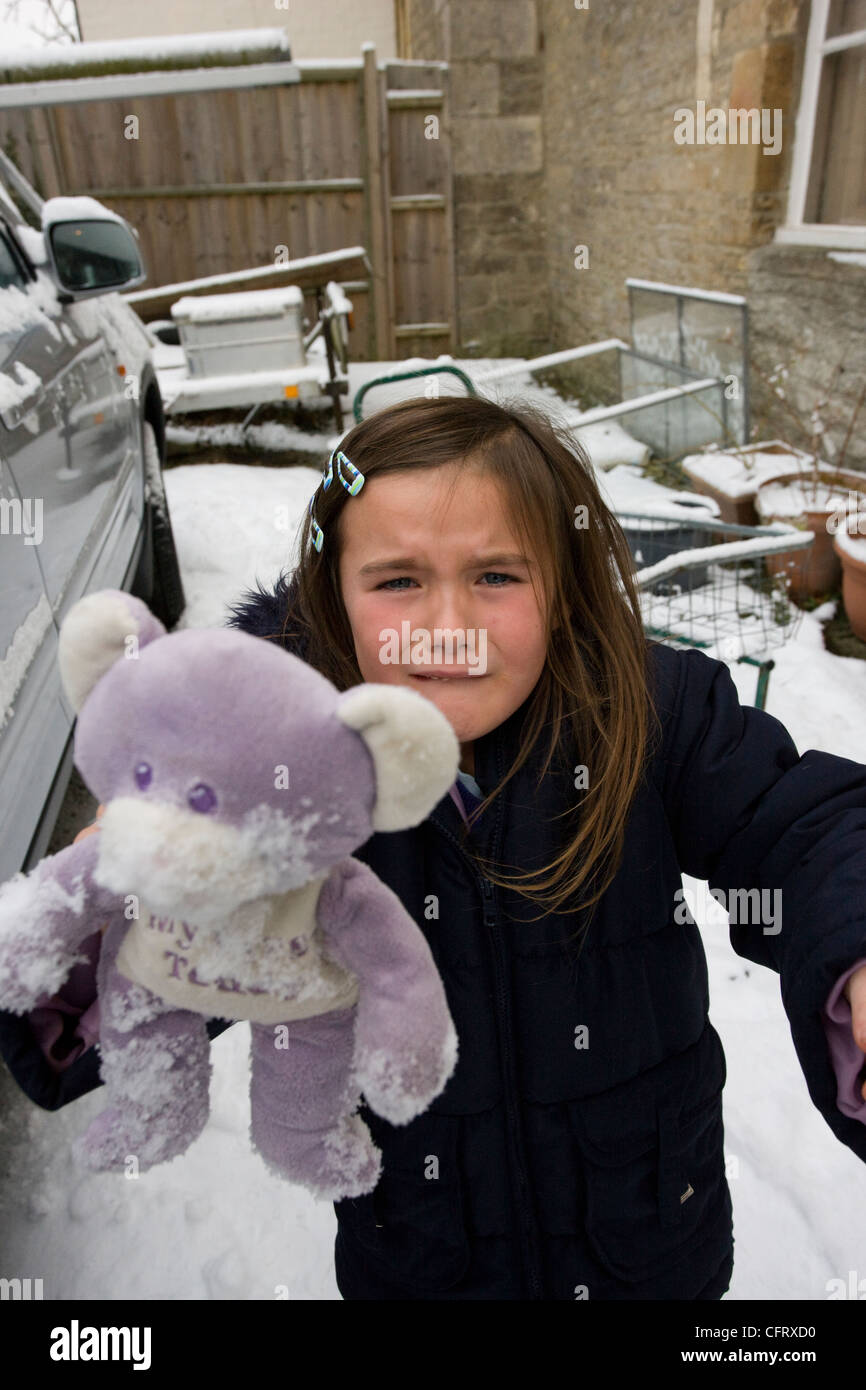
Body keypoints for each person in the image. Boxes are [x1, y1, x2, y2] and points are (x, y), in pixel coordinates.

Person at [2, 393, 866, 1302]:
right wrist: (117, 908)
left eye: (497, 576)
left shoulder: (652, 712)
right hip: (418, 1256)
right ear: (334, 589)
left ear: (563, 582)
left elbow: (804, 827)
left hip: (646, 1237)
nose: (446, 623)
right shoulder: (279, 763)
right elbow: (185, 957)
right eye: (398, 581)